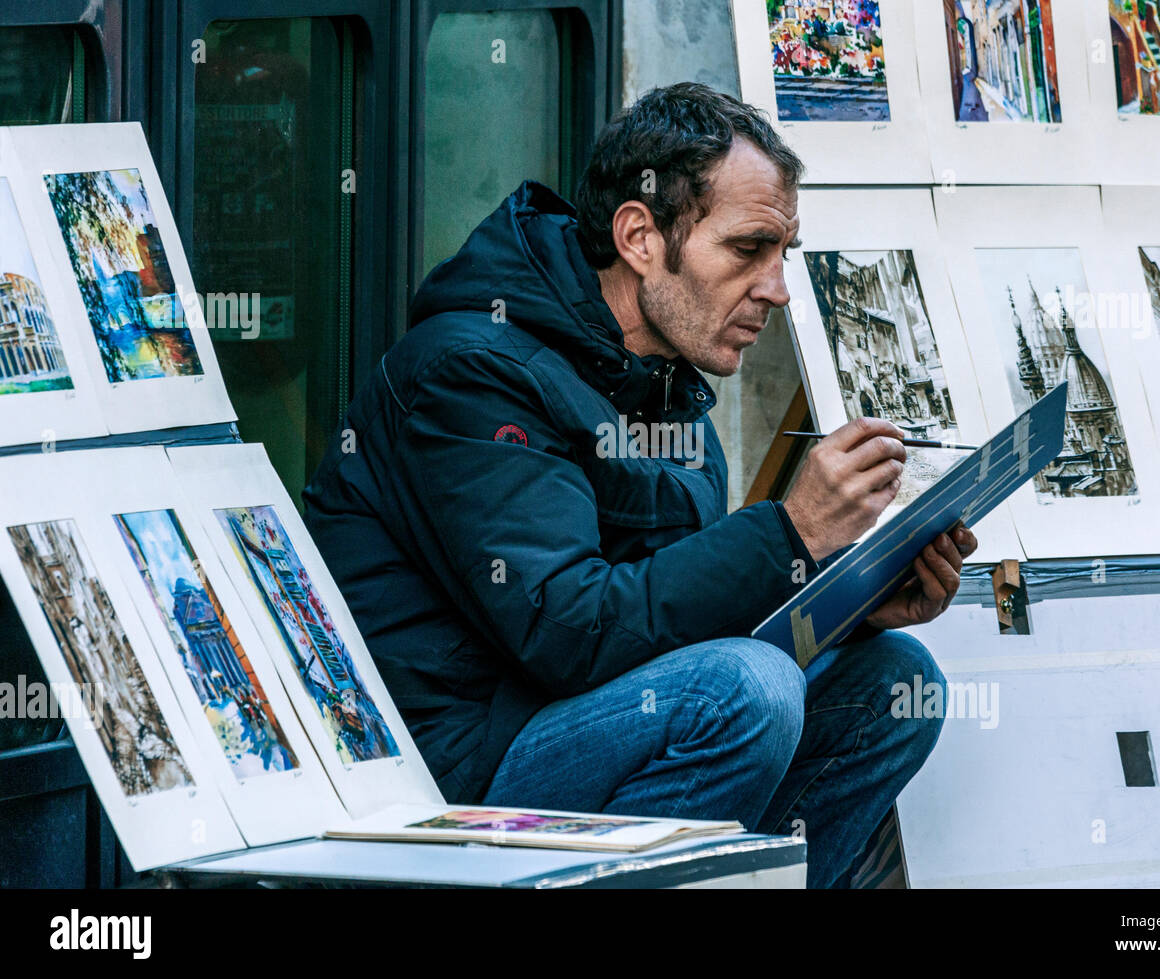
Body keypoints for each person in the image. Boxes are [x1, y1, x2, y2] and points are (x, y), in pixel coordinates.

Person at [302, 82, 977, 888]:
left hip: (564, 724)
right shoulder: (473, 373)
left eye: (782, 255)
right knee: (743, 692)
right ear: (640, 236)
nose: (776, 287)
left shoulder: (665, 380)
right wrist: (788, 532)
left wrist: (845, 598)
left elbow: (672, 614)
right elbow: (570, 631)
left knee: (896, 682)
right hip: (450, 775)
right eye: (746, 250)